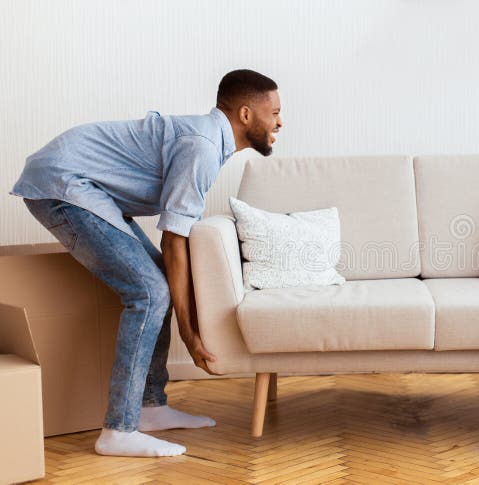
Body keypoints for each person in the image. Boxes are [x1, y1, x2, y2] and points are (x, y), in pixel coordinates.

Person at [10, 69, 283, 457]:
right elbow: (174, 241)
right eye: (274, 112)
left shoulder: (209, 143)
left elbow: (177, 241)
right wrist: (190, 336)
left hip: (86, 187)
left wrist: (189, 324)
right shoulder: (203, 147)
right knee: (151, 292)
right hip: (62, 183)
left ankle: (150, 408)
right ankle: (118, 430)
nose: (280, 121)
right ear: (244, 114)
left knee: (158, 285)